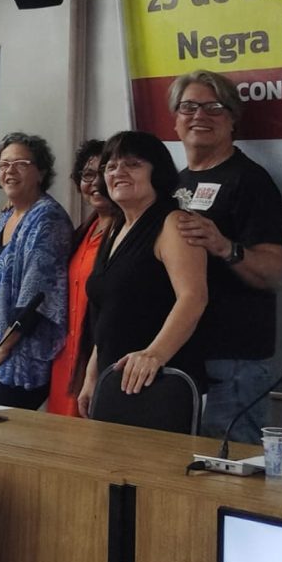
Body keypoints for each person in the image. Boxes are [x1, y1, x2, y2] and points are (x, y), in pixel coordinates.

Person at [168, 70, 282, 442]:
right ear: (174, 119)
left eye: (213, 107)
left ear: (233, 119)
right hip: (184, 356)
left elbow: (274, 272)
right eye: (189, 106)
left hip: (234, 360)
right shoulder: (175, 182)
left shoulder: (250, 181)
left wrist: (225, 247)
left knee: (231, 477)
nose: (199, 116)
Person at [77, 131, 208, 425]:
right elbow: (108, 311)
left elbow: (193, 297)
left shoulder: (173, 223)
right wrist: (92, 375)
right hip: (115, 381)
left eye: (132, 164)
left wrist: (154, 354)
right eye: (110, 166)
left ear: (156, 173)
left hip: (161, 383)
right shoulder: (115, 228)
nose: (118, 172)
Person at [0, 133, 72, 410]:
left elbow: (35, 298)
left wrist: (3, 348)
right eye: (3, 165)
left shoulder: (47, 219)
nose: (9, 171)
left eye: (20, 163)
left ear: (41, 172)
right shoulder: (9, 214)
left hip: (20, 352)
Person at [46, 141, 114, 417]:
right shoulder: (84, 231)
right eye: (87, 175)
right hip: (67, 360)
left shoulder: (127, 235)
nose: (95, 182)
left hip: (98, 360)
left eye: (104, 172)